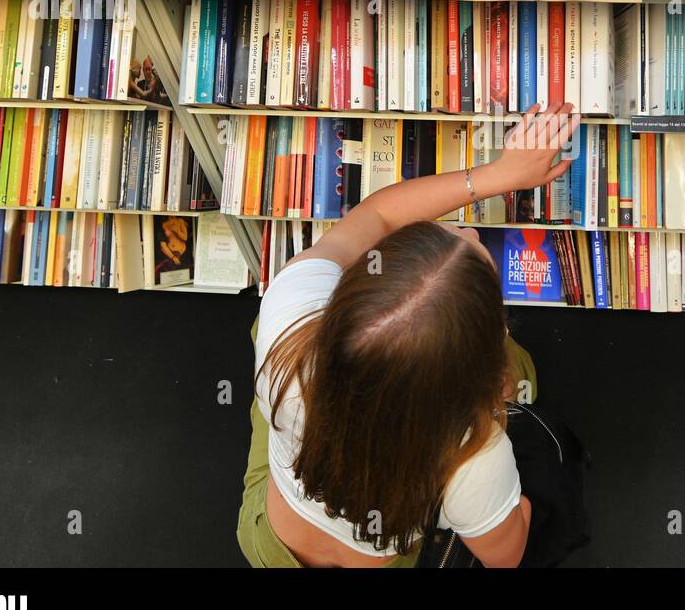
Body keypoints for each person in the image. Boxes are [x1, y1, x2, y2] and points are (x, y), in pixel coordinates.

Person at [237, 102, 578, 568]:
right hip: (383, 551)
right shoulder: (473, 451)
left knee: (271, 338)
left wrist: (496, 174)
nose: (470, 232)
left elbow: (377, 215)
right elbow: (506, 556)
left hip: (269, 540)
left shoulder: (289, 315)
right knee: (520, 377)